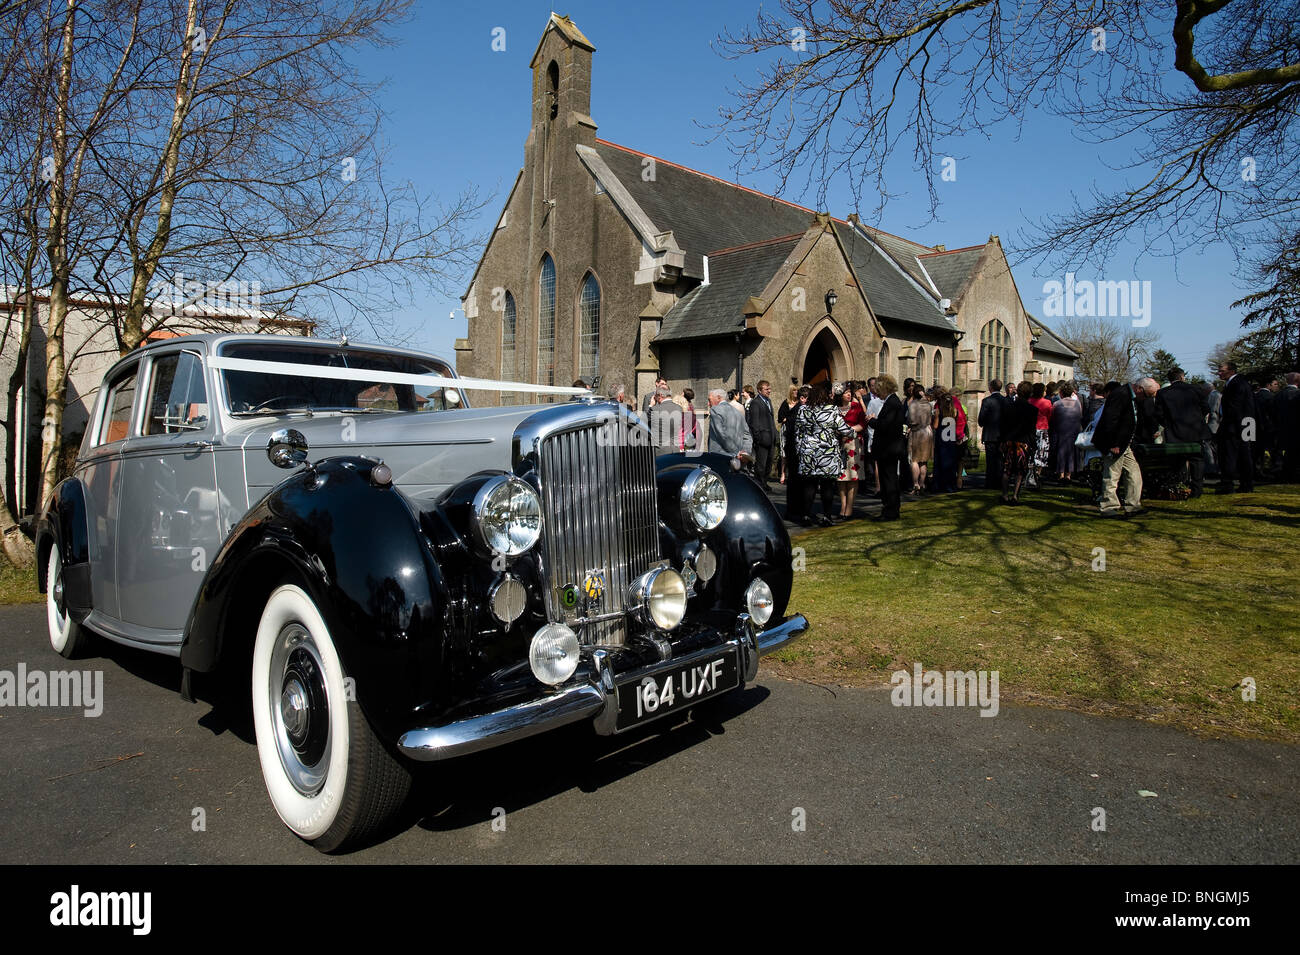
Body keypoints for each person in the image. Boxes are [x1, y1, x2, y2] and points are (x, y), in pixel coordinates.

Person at [1093, 377, 1160, 515]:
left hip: (1125, 443)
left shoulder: (1131, 396)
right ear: (1140, 389)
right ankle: (1108, 507)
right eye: (1147, 395)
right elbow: (1111, 420)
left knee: (1134, 474)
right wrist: (1114, 444)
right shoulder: (1121, 395)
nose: (1146, 399)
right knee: (1112, 475)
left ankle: (1133, 505)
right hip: (1115, 443)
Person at [796, 383, 854, 526]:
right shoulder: (831, 410)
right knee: (827, 486)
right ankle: (827, 516)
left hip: (808, 452)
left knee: (809, 485)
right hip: (827, 453)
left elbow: (798, 431)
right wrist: (854, 432)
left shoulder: (803, 409)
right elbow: (844, 429)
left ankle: (806, 516)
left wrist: (800, 449)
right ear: (827, 394)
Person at [1155, 366, 1210, 497]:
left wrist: (1169, 424)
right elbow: (1206, 408)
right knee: (1197, 460)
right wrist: (1197, 420)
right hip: (1195, 430)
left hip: (1175, 431)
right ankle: (1197, 488)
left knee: (1177, 460)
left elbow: (1159, 414)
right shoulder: (1196, 389)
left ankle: (1179, 487)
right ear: (1182, 377)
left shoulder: (1163, 393)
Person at [868, 375, 906, 521]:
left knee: (889, 481)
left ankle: (891, 510)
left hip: (889, 449)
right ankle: (889, 509)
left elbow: (885, 425)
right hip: (888, 448)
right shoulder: (891, 402)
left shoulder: (893, 403)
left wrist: (871, 421)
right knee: (887, 480)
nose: (877, 393)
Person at [1216, 361, 1256, 494]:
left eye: (1222, 370)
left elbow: (1234, 407)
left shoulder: (1236, 384)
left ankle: (1228, 484)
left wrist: (1225, 423)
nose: (1219, 373)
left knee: (1231, 454)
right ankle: (1246, 483)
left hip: (1236, 425)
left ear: (1231, 371)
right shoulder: (1240, 383)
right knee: (1245, 454)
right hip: (1246, 423)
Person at [1000, 381, 1037, 505]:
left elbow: (1004, 426)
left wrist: (1002, 441)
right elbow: (1032, 429)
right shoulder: (1032, 410)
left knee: (1007, 469)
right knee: (1020, 471)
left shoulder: (1009, 406)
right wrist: (1033, 444)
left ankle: (1005, 495)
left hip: (1010, 441)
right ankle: (1015, 495)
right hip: (1023, 442)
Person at [836, 387, 866, 517]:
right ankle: (842, 506)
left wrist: (847, 431)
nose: (848, 394)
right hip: (839, 444)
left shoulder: (856, 407)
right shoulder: (834, 408)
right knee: (841, 477)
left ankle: (849, 507)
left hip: (854, 444)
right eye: (845, 392)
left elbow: (862, 424)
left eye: (849, 392)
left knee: (853, 476)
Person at [781, 385, 809, 520]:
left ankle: (794, 509)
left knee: (794, 483)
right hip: (797, 452)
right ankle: (797, 510)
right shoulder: (798, 411)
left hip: (793, 451)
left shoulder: (796, 410)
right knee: (798, 483)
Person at [707, 387, 753, 467]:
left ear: (718, 398)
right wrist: (745, 452)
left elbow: (721, 435)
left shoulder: (715, 410)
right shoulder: (738, 413)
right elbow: (747, 436)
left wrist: (736, 453)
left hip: (720, 459)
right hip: (738, 461)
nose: (708, 404)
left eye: (709, 400)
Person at [746, 379, 778, 490]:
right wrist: (758, 438)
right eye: (766, 389)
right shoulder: (755, 402)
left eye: (769, 388)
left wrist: (775, 434)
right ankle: (759, 484)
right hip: (762, 439)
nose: (769, 390)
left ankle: (764, 482)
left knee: (769, 463)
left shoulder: (768, 401)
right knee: (761, 464)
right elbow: (754, 422)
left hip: (771, 438)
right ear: (759, 390)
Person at [978, 379, 1009, 492]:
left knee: (990, 461)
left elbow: (981, 419)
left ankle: (990, 483)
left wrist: (984, 423)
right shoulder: (1006, 401)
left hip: (990, 435)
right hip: (1003, 435)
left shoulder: (987, 401)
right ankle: (1000, 482)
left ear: (991, 387)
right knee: (1001, 460)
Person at [1049, 383, 1083, 482]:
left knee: (1061, 451)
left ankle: (1061, 473)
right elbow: (1080, 415)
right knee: (1071, 452)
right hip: (1073, 430)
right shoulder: (1077, 403)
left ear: (1061, 393)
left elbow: (1052, 417)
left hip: (1060, 430)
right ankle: (1069, 474)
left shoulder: (1057, 404)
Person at [933, 391, 963, 492]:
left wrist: (936, 417)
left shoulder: (939, 411)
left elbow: (936, 426)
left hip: (942, 440)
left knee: (940, 463)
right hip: (951, 440)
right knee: (950, 463)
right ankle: (950, 485)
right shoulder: (955, 411)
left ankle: (939, 485)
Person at [906, 383, 934, 494]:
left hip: (917, 432)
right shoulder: (928, 404)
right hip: (927, 432)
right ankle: (922, 484)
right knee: (924, 461)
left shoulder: (913, 405)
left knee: (914, 460)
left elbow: (911, 420)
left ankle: (916, 484)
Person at [1275, 372, 1300, 482]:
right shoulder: (1297, 394)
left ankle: (1284, 473)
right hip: (1296, 428)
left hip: (1280, 427)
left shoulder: (1278, 395)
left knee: (1282, 451)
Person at [1028, 382, 1052, 487]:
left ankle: (1030, 474)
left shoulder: (1029, 401)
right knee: (1041, 453)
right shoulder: (1047, 402)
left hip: (1031, 430)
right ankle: (1037, 474)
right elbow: (1050, 416)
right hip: (1043, 429)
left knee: (1031, 453)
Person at [678, 387, 699, 452]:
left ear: (683, 394)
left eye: (682, 393)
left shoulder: (683, 408)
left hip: (683, 438)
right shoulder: (691, 407)